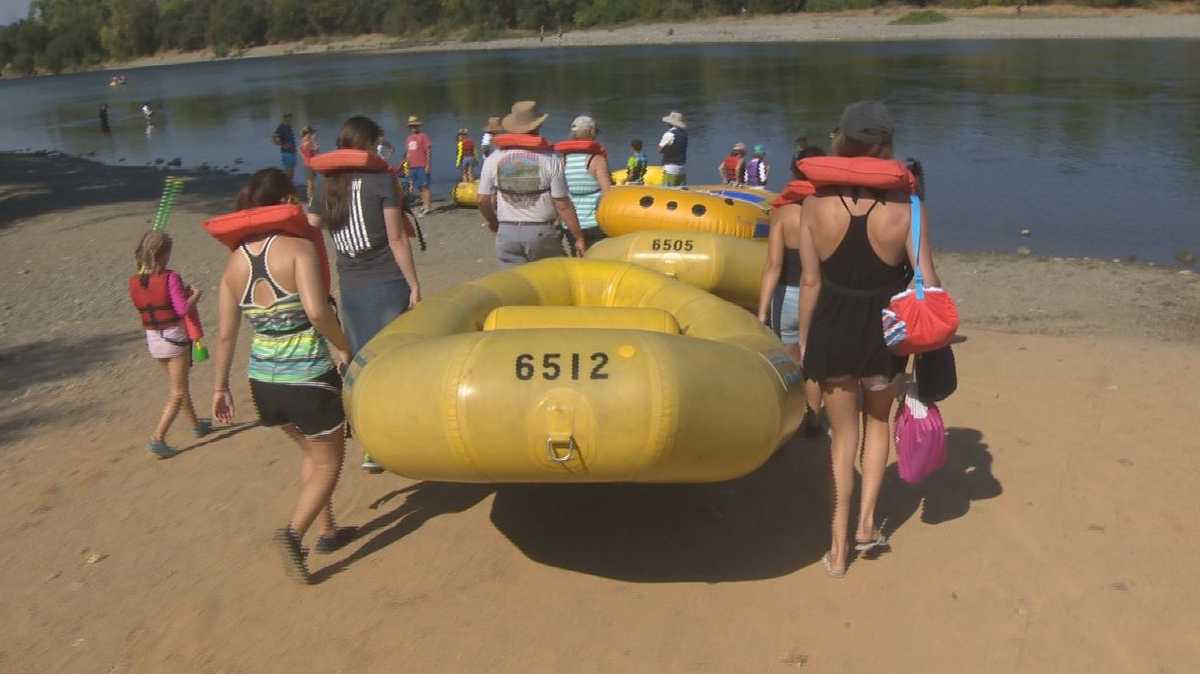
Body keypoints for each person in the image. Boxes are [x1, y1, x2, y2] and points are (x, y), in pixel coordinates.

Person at [795, 101, 942, 578]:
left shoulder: (812, 205)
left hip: (832, 330)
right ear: (884, 145)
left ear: (843, 142)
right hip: (887, 334)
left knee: (842, 438)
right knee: (878, 427)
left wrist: (802, 341)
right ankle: (865, 525)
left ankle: (837, 551)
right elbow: (927, 279)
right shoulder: (909, 207)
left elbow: (811, 283)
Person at [211, 168, 354, 584]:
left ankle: (327, 529)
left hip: (262, 381)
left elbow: (225, 334)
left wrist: (220, 387)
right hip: (307, 375)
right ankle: (292, 534)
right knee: (329, 461)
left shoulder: (234, 262)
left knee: (311, 452)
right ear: (286, 201)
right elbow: (316, 311)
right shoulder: (298, 248)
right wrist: (343, 345)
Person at [310, 116, 422, 474]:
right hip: (388, 280)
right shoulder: (380, 180)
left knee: (360, 359)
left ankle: (366, 438)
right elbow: (396, 238)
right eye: (377, 143)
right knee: (392, 360)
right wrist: (414, 283)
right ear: (369, 144)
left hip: (351, 285)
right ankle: (389, 438)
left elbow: (311, 226)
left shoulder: (326, 184)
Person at [757, 145, 826, 440]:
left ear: (793, 172)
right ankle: (814, 418)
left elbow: (773, 266)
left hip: (787, 297)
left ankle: (790, 422)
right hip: (821, 296)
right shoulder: (830, 211)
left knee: (789, 361)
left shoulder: (783, 214)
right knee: (813, 362)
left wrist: (761, 311)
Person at [127, 231, 210, 459]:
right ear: (162, 254)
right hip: (174, 340)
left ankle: (197, 426)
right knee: (177, 391)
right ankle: (158, 438)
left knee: (179, 385)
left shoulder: (135, 281)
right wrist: (195, 296)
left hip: (154, 341)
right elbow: (182, 309)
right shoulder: (170, 278)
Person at [478, 100, 586, 265]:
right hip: (540, 231)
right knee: (553, 280)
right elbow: (562, 204)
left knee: (516, 285)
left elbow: (482, 199)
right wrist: (578, 237)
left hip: (507, 232)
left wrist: (493, 222)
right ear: (537, 127)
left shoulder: (493, 159)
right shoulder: (551, 159)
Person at [561, 115, 612, 248]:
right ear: (591, 132)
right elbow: (608, 193)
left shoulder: (562, 159)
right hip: (594, 223)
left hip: (571, 224)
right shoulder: (596, 160)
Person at [404, 115, 433, 215]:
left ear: (418, 126)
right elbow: (408, 153)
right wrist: (406, 165)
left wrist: (428, 165)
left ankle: (428, 206)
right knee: (419, 187)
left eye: (415, 126)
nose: (413, 128)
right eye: (411, 126)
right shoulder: (408, 138)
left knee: (425, 186)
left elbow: (428, 151)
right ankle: (424, 205)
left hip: (422, 165)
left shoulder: (423, 136)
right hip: (412, 166)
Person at [657, 111, 688, 187]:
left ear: (670, 123)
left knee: (667, 191)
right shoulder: (684, 134)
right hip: (682, 167)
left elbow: (659, 149)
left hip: (670, 167)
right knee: (679, 192)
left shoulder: (669, 134)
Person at [272, 113, 298, 181]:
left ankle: (290, 186)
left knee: (292, 172)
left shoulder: (289, 126)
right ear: (285, 118)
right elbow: (273, 139)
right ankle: (286, 187)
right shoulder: (281, 127)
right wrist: (282, 145)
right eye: (289, 119)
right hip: (287, 153)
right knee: (288, 172)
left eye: (291, 119)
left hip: (293, 152)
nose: (291, 120)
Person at [299, 126, 319, 206]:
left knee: (312, 183)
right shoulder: (307, 142)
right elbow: (315, 151)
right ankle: (310, 201)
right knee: (311, 184)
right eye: (312, 133)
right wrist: (314, 143)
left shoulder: (305, 142)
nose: (314, 134)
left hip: (311, 164)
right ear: (308, 133)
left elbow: (315, 152)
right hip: (309, 165)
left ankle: (311, 199)